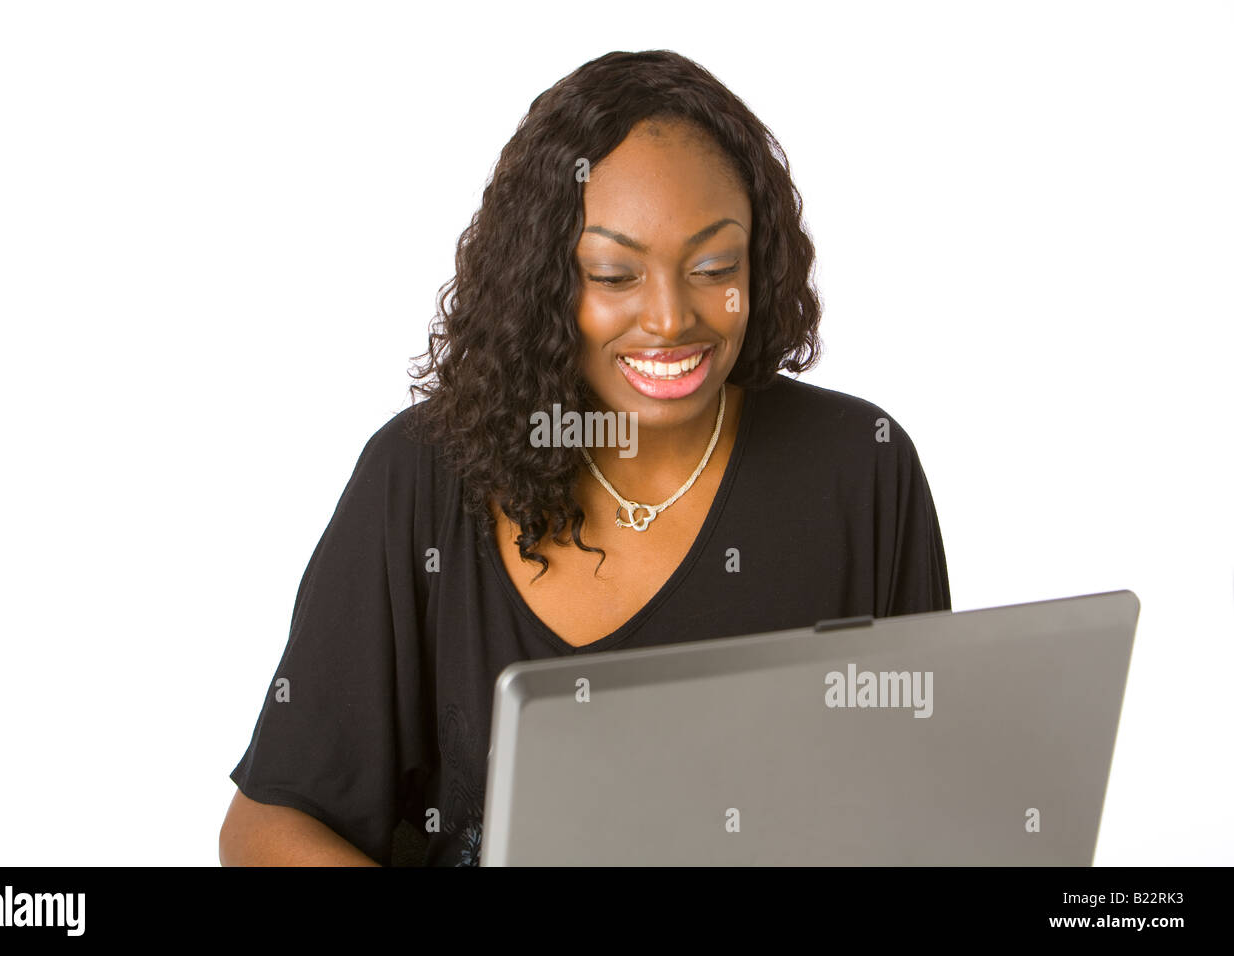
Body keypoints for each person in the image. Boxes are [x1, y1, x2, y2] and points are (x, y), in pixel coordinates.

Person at [219, 49, 951, 867]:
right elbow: (267, 828)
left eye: (715, 267)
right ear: (540, 279)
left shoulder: (860, 472)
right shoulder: (421, 476)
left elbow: (923, 807)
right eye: (612, 273)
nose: (672, 319)